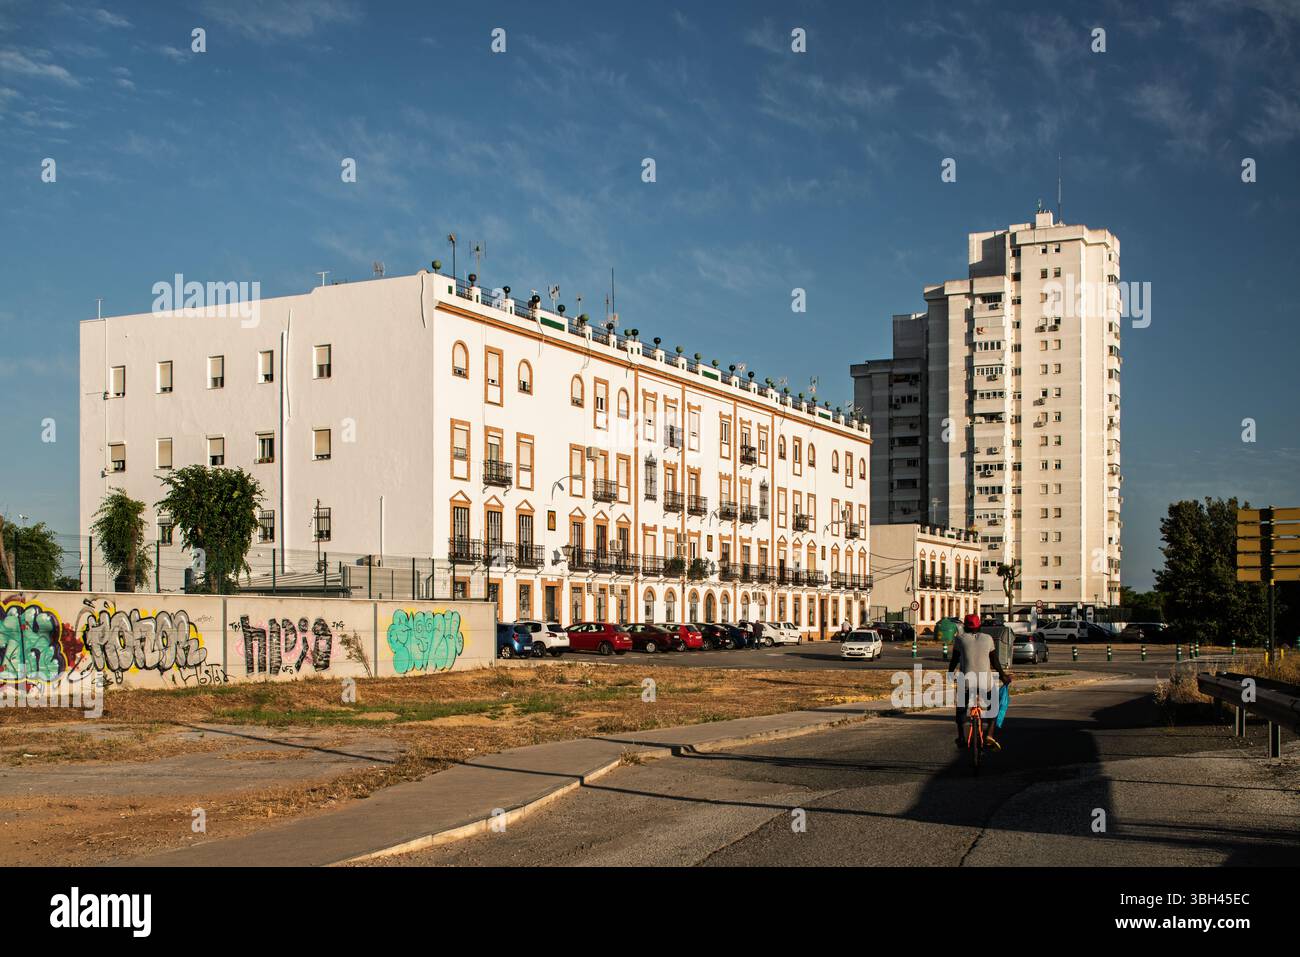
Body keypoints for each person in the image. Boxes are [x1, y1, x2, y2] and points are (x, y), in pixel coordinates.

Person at [947, 613, 1012, 751]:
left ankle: (961, 737)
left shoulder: (959, 639)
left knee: (961, 709)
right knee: (993, 706)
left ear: (964, 626)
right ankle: (989, 734)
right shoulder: (988, 639)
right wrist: (1003, 676)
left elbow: (954, 660)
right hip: (985, 683)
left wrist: (950, 673)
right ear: (979, 626)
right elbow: (994, 661)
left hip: (966, 683)